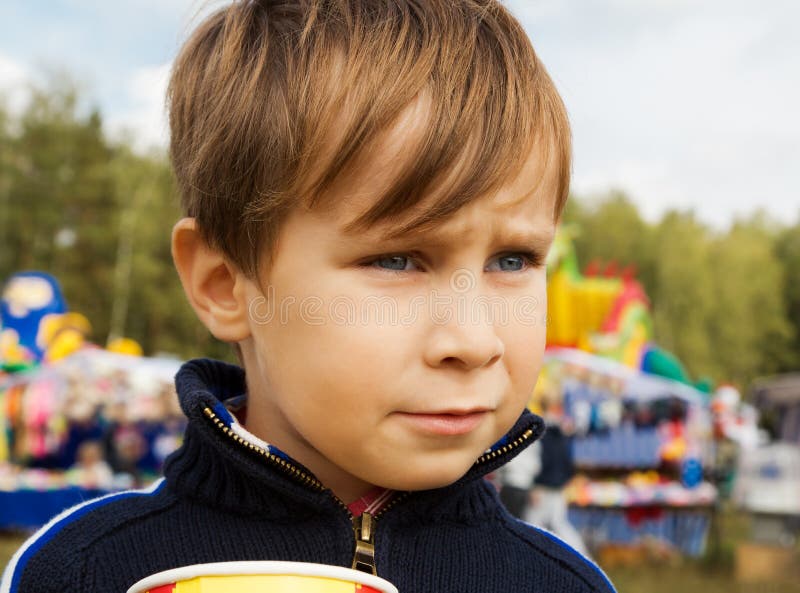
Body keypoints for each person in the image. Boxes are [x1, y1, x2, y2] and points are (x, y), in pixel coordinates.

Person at [1, 2, 616, 591]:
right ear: (225, 284)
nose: (474, 341)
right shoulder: (83, 572)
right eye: (396, 260)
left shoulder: (563, 583)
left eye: (513, 260)